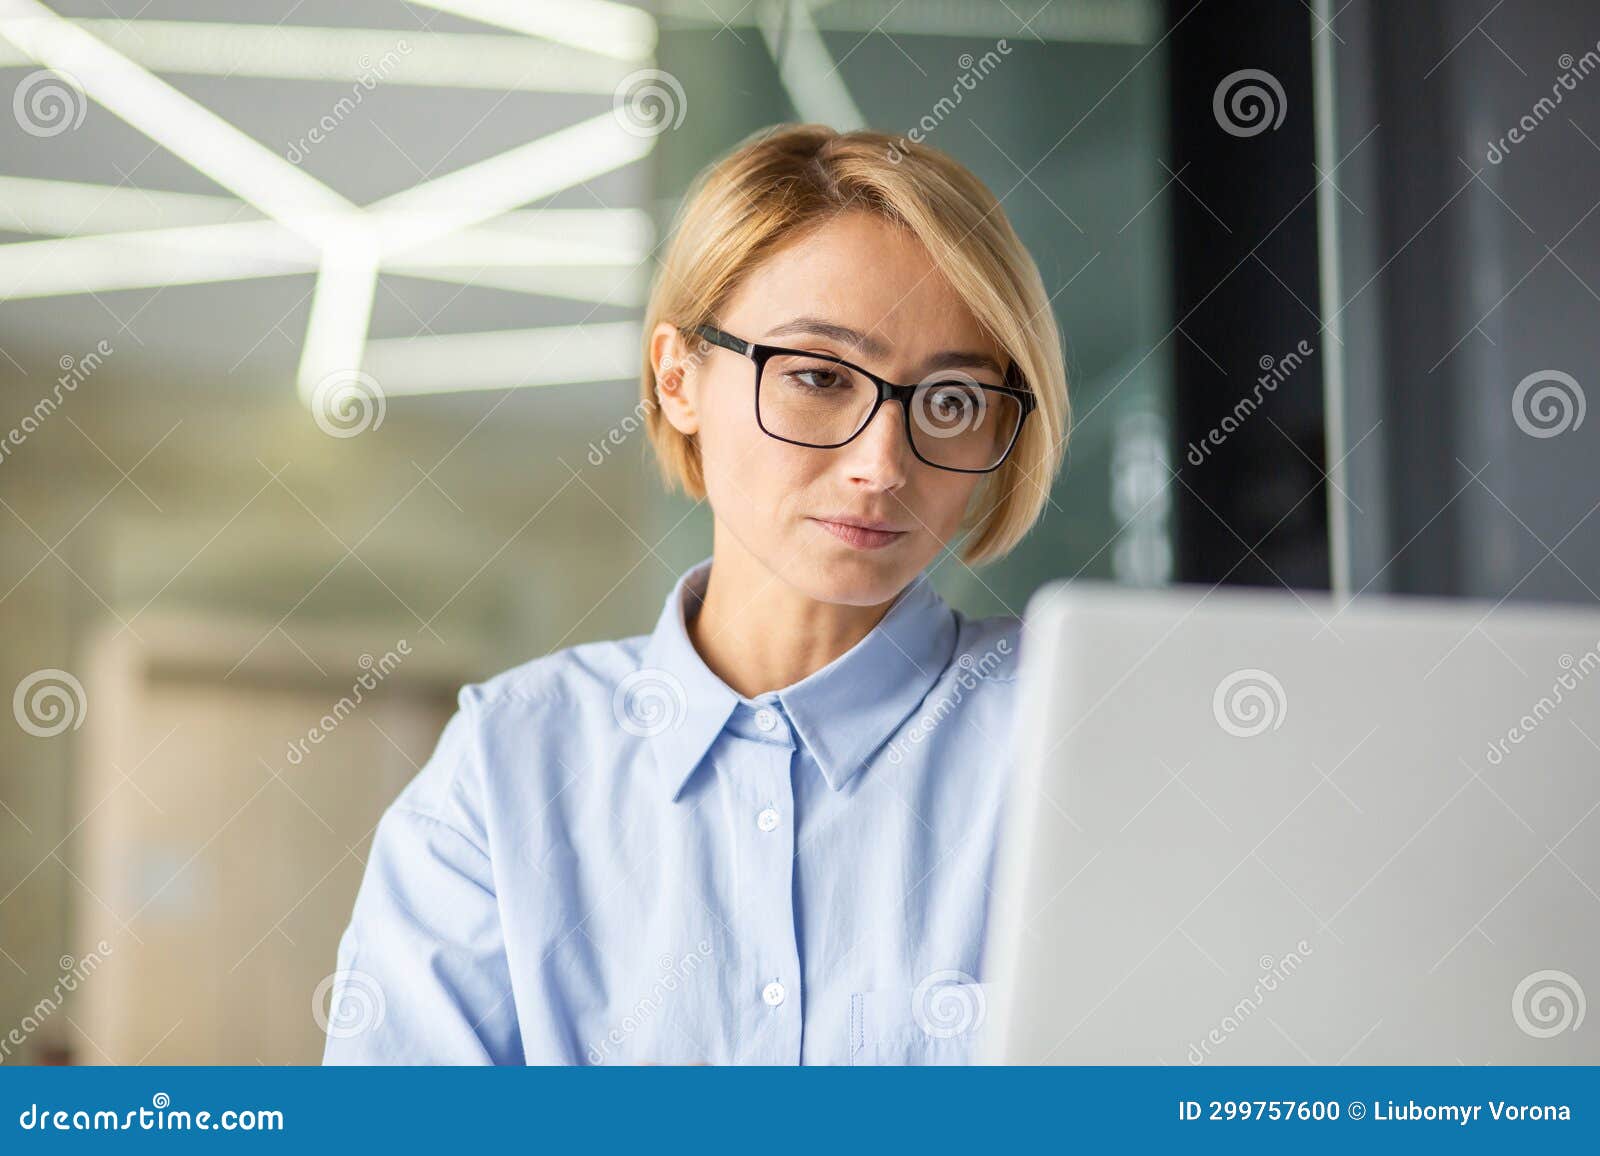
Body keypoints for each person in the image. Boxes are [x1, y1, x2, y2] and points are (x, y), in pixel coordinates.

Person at [322, 123, 1069, 1065]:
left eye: (952, 399)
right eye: (817, 377)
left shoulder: (1078, 734)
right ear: (679, 379)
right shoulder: (507, 772)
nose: (882, 464)